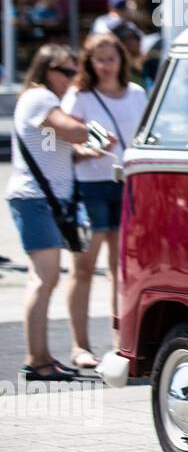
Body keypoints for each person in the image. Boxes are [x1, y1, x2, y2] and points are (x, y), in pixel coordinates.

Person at [5, 44, 116, 381]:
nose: (72, 78)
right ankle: (37, 360)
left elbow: (56, 147)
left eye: (73, 71)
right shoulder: (41, 98)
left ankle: (42, 358)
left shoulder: (41, 102)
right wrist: (98, 133)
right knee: (44, 278)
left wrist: (84, 152)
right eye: (65, 71)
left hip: (45, 200)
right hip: (35, 200)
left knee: (47, 279)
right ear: (45, 69)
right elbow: (69, 129)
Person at [62, 34, 147, 368]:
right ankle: (79, 345)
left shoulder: (137, 94)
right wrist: (87, 150)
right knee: (83, 267)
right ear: (88, 62)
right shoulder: (79, 96)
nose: (106, 65)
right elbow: (62, 143)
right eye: (99, 59)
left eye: (111, 58)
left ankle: (120, 340)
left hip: (127, 183)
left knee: (121, 269)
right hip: (91, 185)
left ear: (122, 59)